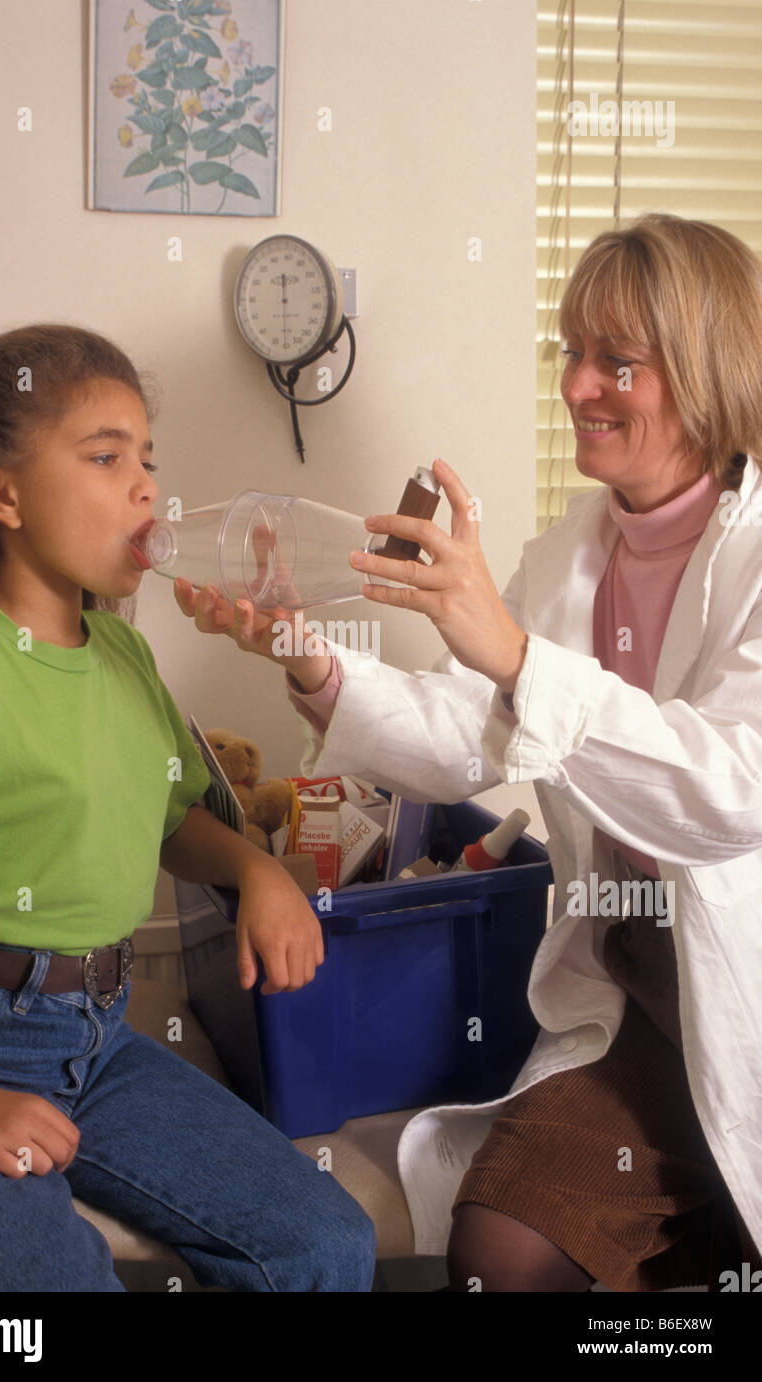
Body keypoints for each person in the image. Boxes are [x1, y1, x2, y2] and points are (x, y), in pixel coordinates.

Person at [174, 213, 762, 1293]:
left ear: (710, 374)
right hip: (638, 1004)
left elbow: (730, 797)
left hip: (748, 1003)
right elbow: (463, 743)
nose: (578, 385)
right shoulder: (573, 550)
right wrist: (306, 654)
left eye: (615, 362)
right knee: (501, 1254)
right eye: (571, 352)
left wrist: (516, 653)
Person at [0, 323, 377, 1293]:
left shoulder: (122, 657)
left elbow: (166, 820)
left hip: (100, 1036)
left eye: (147, 460)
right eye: (107, 457)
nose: (146, 487)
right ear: (0, 491)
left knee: (328, 1247)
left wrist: (256, 870)